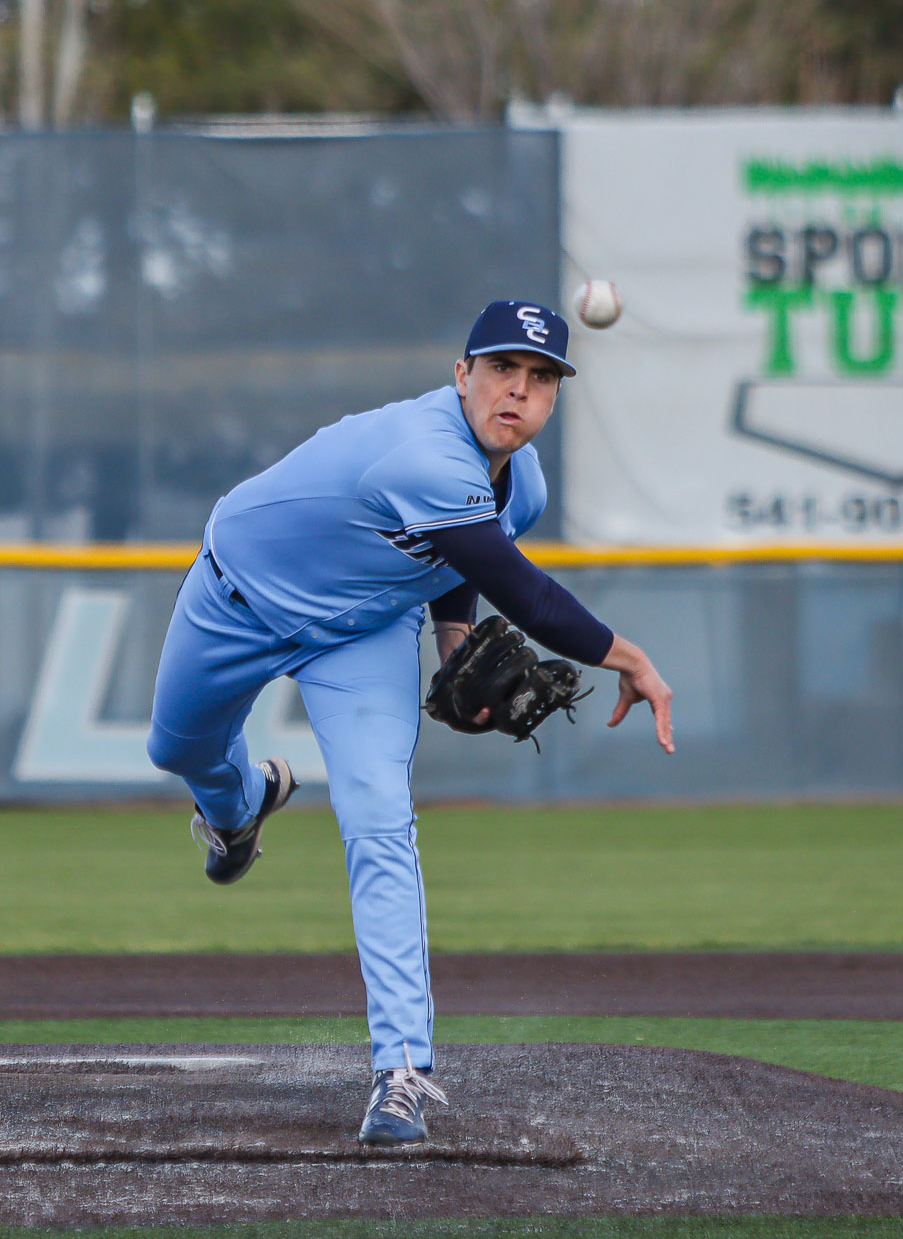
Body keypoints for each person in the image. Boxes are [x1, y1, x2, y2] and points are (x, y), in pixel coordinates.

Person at [145, 299, 675, 1145]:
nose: (518, 391)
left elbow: (461, 555)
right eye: (501, 368)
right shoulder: (422, 451)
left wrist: (452, 638)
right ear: (461, 375)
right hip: (236, 600)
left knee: (379, 819)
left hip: (360, 637)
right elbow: (528, 593)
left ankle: (402, 1071)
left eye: (541, 379)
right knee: (175, 748)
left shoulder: (521, 479)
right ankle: (240, 803)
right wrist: (630, 658)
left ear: (554, 399)